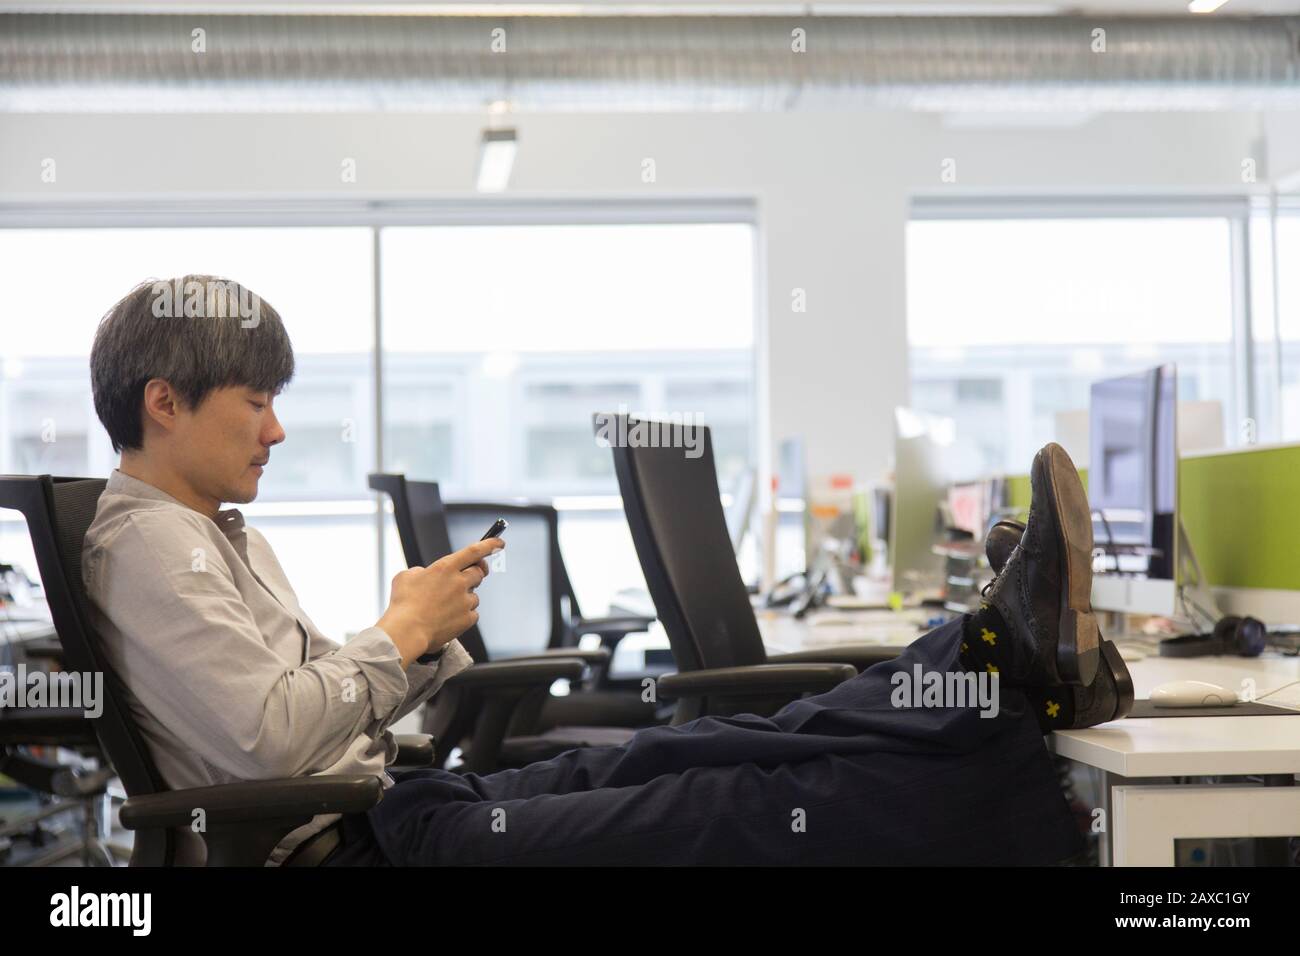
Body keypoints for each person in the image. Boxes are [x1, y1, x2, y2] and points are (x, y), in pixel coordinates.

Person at [82, 275, 1132, 866]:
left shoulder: (223, 534)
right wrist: (396, 633)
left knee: (724, 742)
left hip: (392, 811)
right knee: (724, 805)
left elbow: (322, 710)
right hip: (339, 854)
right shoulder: (148, 547)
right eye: (253, 400)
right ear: (164, 401)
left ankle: (996, 653)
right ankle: (1010, 707)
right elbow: (267, 737)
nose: (275, 425)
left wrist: (421, 640)